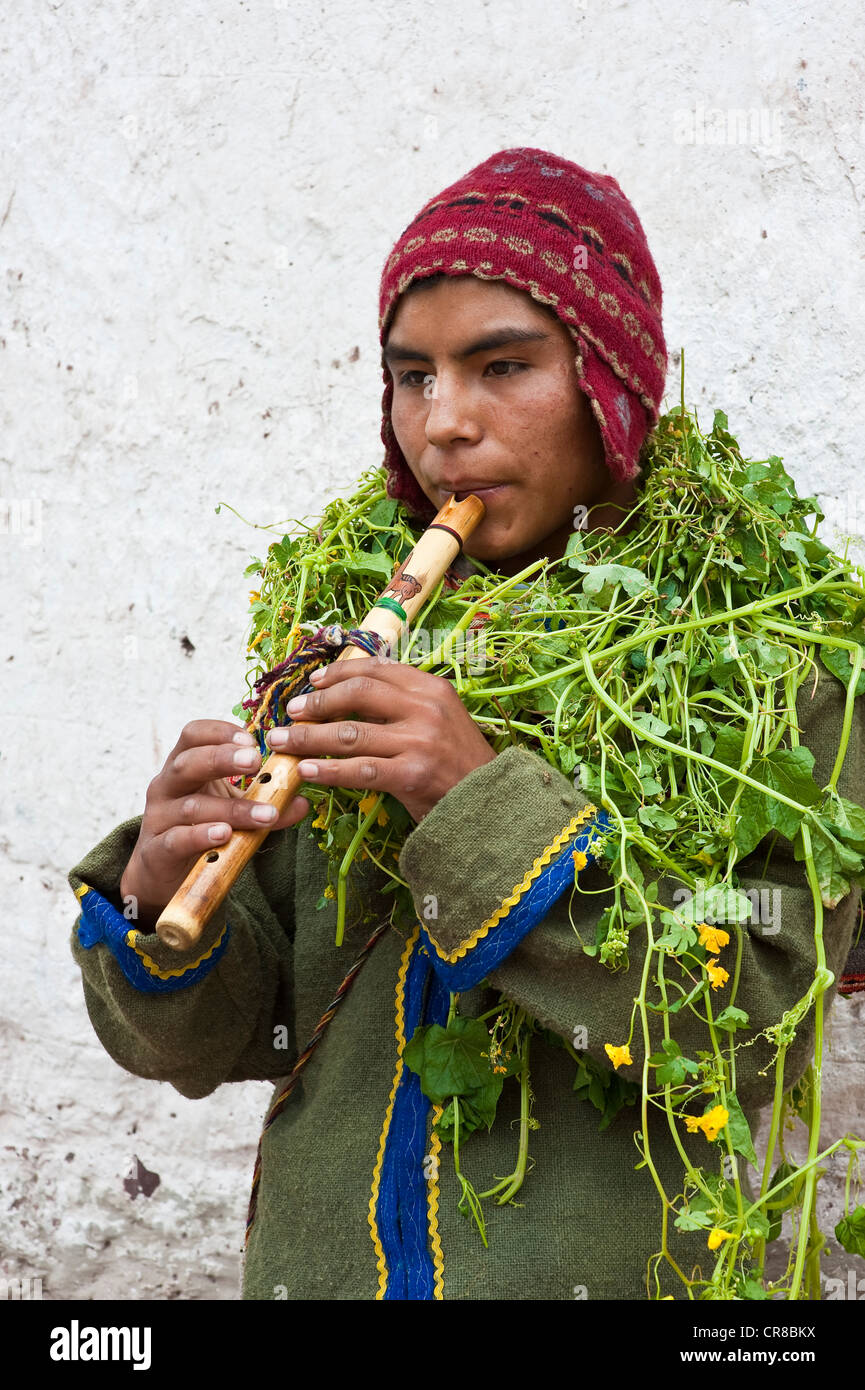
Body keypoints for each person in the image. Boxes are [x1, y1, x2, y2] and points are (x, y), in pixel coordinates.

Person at [68, 147, 864, 1300]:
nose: (444, 424)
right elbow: (211, 1043)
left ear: (613, 382)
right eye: (412, 376)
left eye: (502, 366)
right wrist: (160, 892)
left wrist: (469, 797)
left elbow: (741, 1027)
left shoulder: (773, 667)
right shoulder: (349, 640)